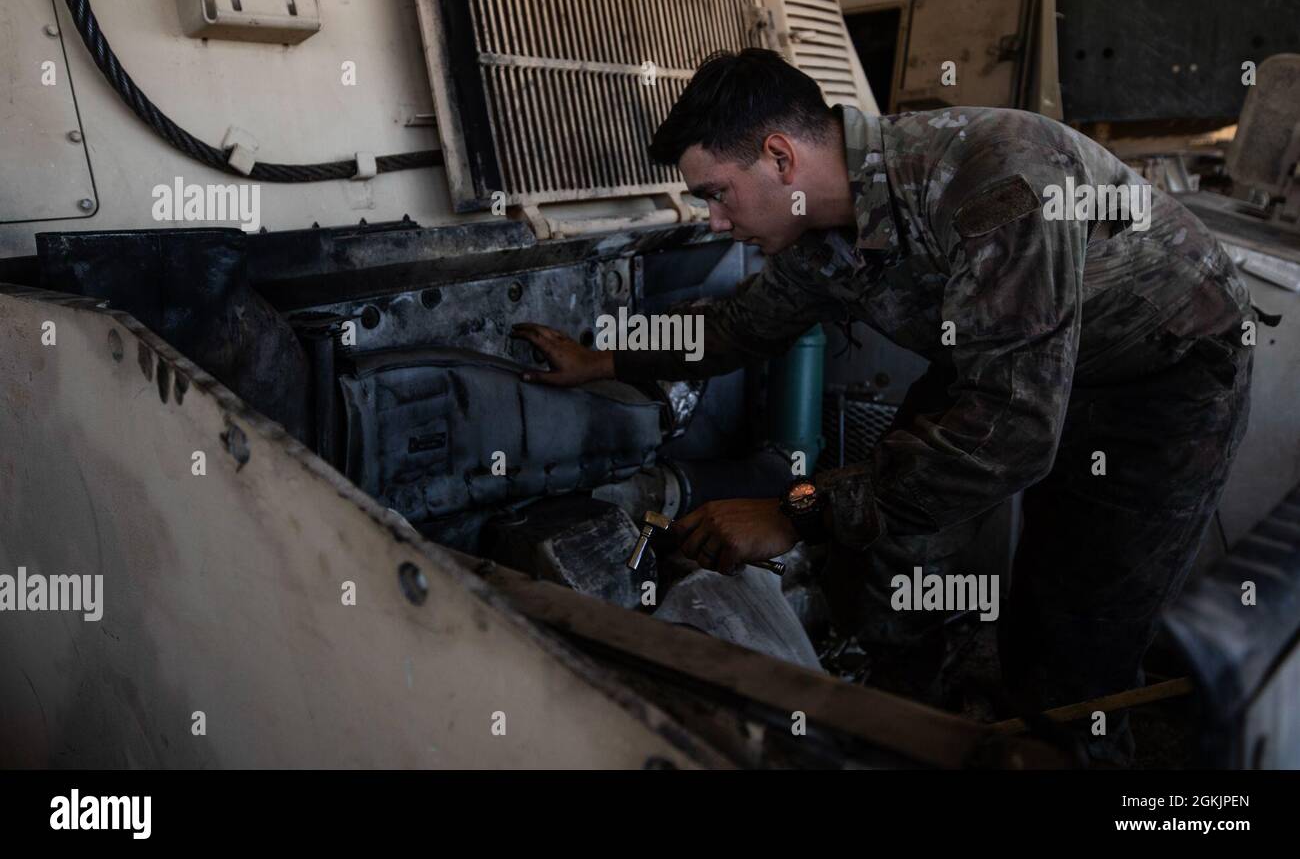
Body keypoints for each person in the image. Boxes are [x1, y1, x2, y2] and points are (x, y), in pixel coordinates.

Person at [511, 48, 1258, 762]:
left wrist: (792, 512)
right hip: (1012, 367)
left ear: (780, 158)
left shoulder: (995, 181)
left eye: (715, 194)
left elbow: (1013, 435)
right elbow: (741, 326)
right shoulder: (821, 229)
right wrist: (605, 360)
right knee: (889, 558)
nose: (714, 221)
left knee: (1073, 650)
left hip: (1158, 383)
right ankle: (926, 720)